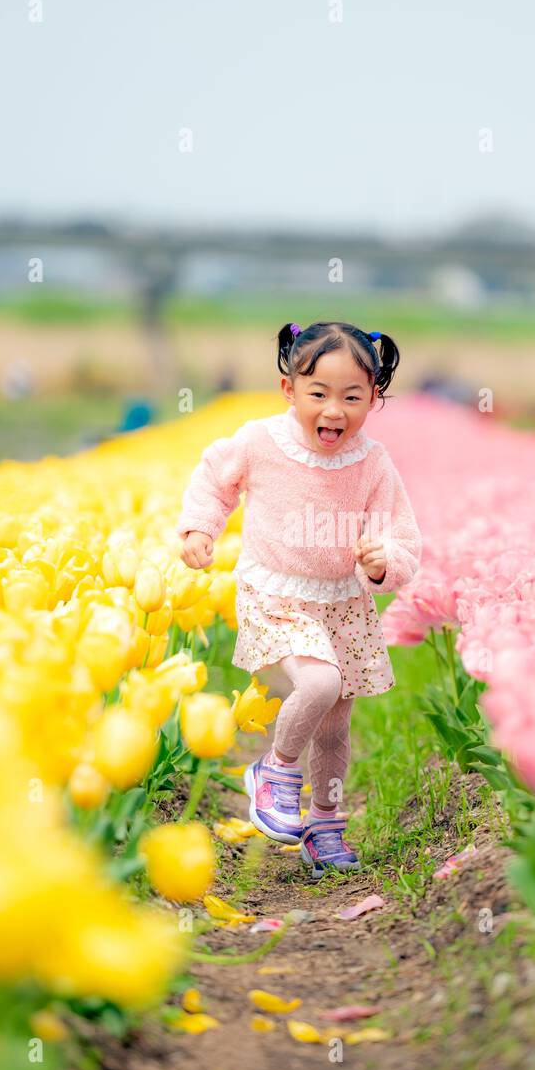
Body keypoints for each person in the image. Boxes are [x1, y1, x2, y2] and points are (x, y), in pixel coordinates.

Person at [177, 320, 422, 878]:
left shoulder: (373, 464)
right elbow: (217, 481)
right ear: (289, 389)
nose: (334, 410)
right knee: (320, 682)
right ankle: (275, 771)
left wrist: (383, 561)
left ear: (374, 398)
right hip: (277, 593)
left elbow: (403, 538)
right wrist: (199, 529)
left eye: (352, 397)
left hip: (343, 606)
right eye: (319, 394)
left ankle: (324, 823)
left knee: (336, 728)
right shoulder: (262, 442)